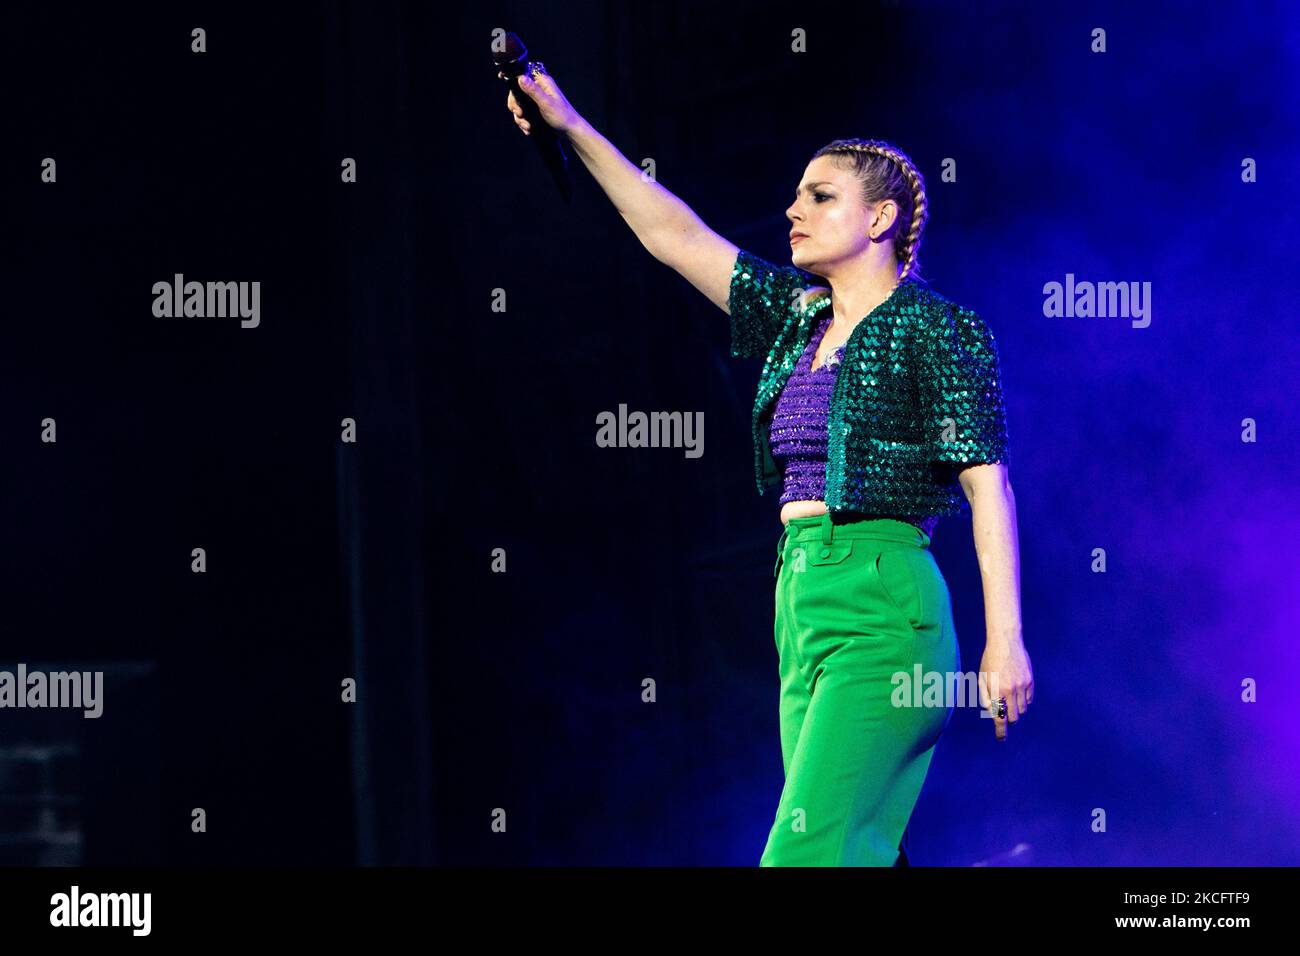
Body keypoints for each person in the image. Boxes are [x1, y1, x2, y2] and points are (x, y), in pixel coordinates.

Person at [501, 62, 1034, 866]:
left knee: (802, 855)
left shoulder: (937, 329)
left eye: (821, 196)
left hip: (885, 610)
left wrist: (1006, 639)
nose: (794, 210)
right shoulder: (796, 319)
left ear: (880, 215)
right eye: (796, 195)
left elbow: (986, 483)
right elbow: (674, 235)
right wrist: (570, 125)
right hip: (799, 602)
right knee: (849, 853)